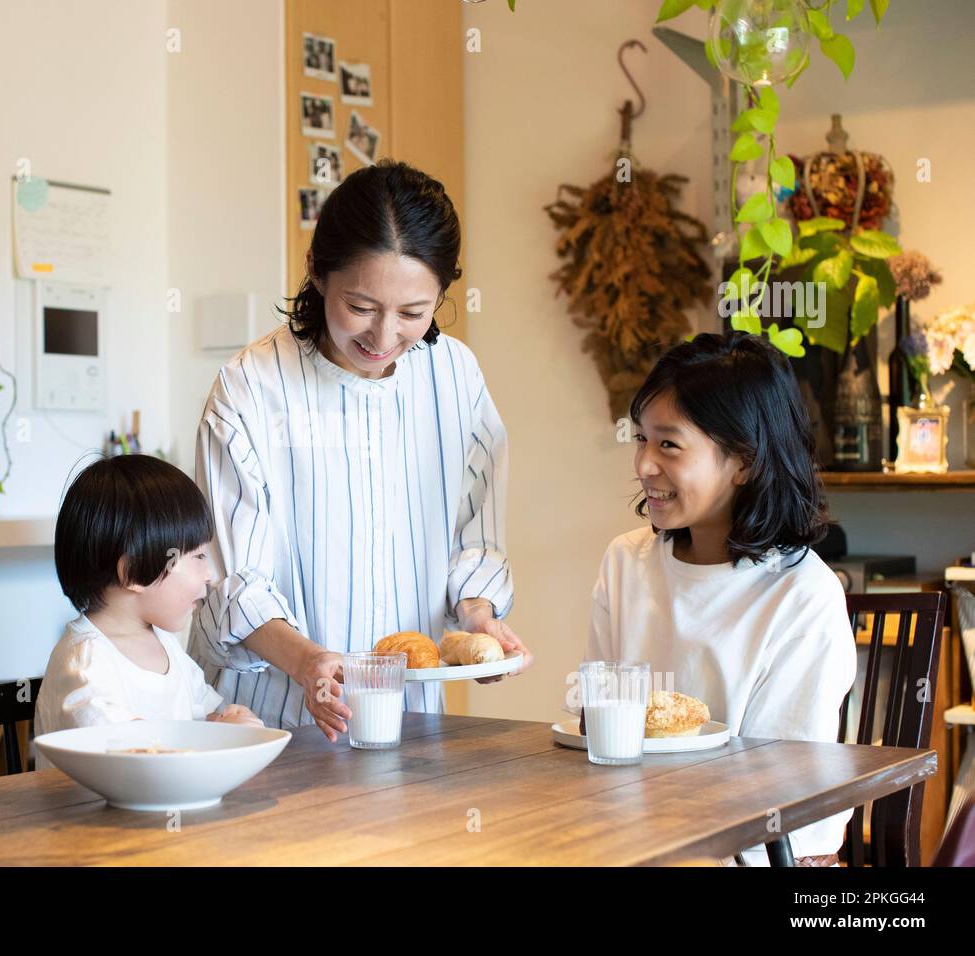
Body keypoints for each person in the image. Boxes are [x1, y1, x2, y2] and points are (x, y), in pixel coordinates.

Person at [192, 159, 532, 742]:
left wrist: (479, 617)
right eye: (361, 307)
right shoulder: (250, 386)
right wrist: (306, 660)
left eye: (412, 314)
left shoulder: (455, 376)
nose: (382, 338)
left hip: (415, 728)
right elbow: (230, 582)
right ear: (317, 272)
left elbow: (473, 539)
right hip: (270, 727)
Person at [586, 332, 856, 866]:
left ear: (744, 462)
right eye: (641, 438)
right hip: (633, 840)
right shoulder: (625, 564)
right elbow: (599, 738)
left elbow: (786, 805)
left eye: (669, 444)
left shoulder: (802, 595)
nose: (643, 464)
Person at [34, 455, 260, 770]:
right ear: (135, 572)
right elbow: (123, 753)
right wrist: (213, 736)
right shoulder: (84, 663)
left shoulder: (166, 645)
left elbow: (201, 717)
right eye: (197, 557)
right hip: (85, 818)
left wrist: (229, 722)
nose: (209, 574)